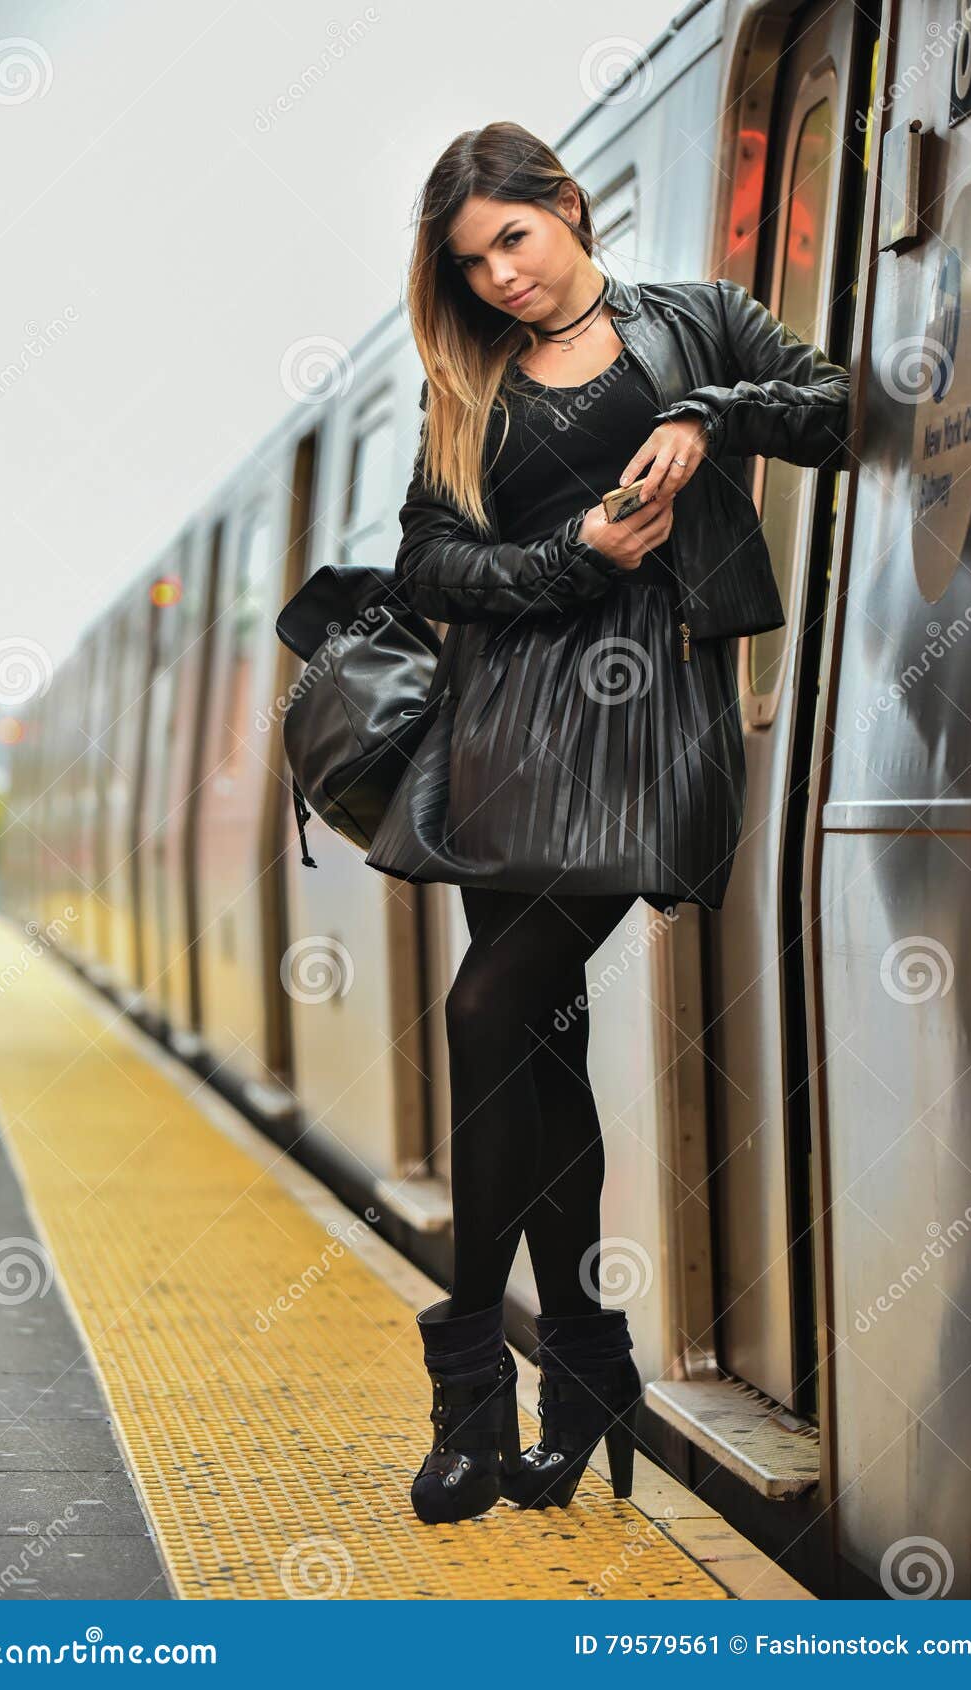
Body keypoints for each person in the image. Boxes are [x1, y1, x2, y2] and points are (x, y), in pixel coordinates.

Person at [362, 120, 851, 1525]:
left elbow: (835, 410)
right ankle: (582, 1377)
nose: (500, 277)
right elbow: (427, 561)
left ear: (568, 206)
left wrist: (711, 416)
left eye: (512, 239)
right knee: (540, 1045)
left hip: (648, 730)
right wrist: (566, 556)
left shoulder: (698, 320)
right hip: (506, 737)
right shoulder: (469, 383)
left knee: (482, 1009)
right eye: (472, 263)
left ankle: (468, 1383)